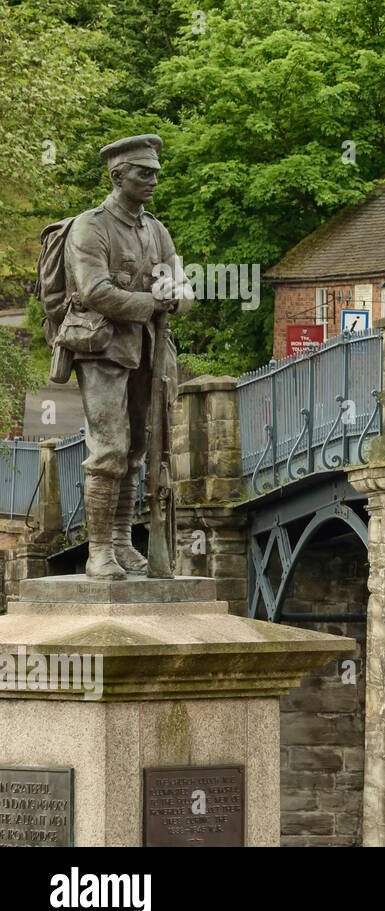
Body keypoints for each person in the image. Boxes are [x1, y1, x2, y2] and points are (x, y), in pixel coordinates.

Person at [61, 134, 193, 579]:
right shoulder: (90, 227)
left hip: (150, 351)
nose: (154, 180)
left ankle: (121, 541)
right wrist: (153, 304)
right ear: (119, 176)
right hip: (102, 349)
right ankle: (98, 551)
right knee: (110, 450)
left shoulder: (156, 229)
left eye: (155, 172)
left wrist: (178, 295)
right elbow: (93, 291)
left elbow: (183, 283)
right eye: (144, 173)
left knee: (139, 449)